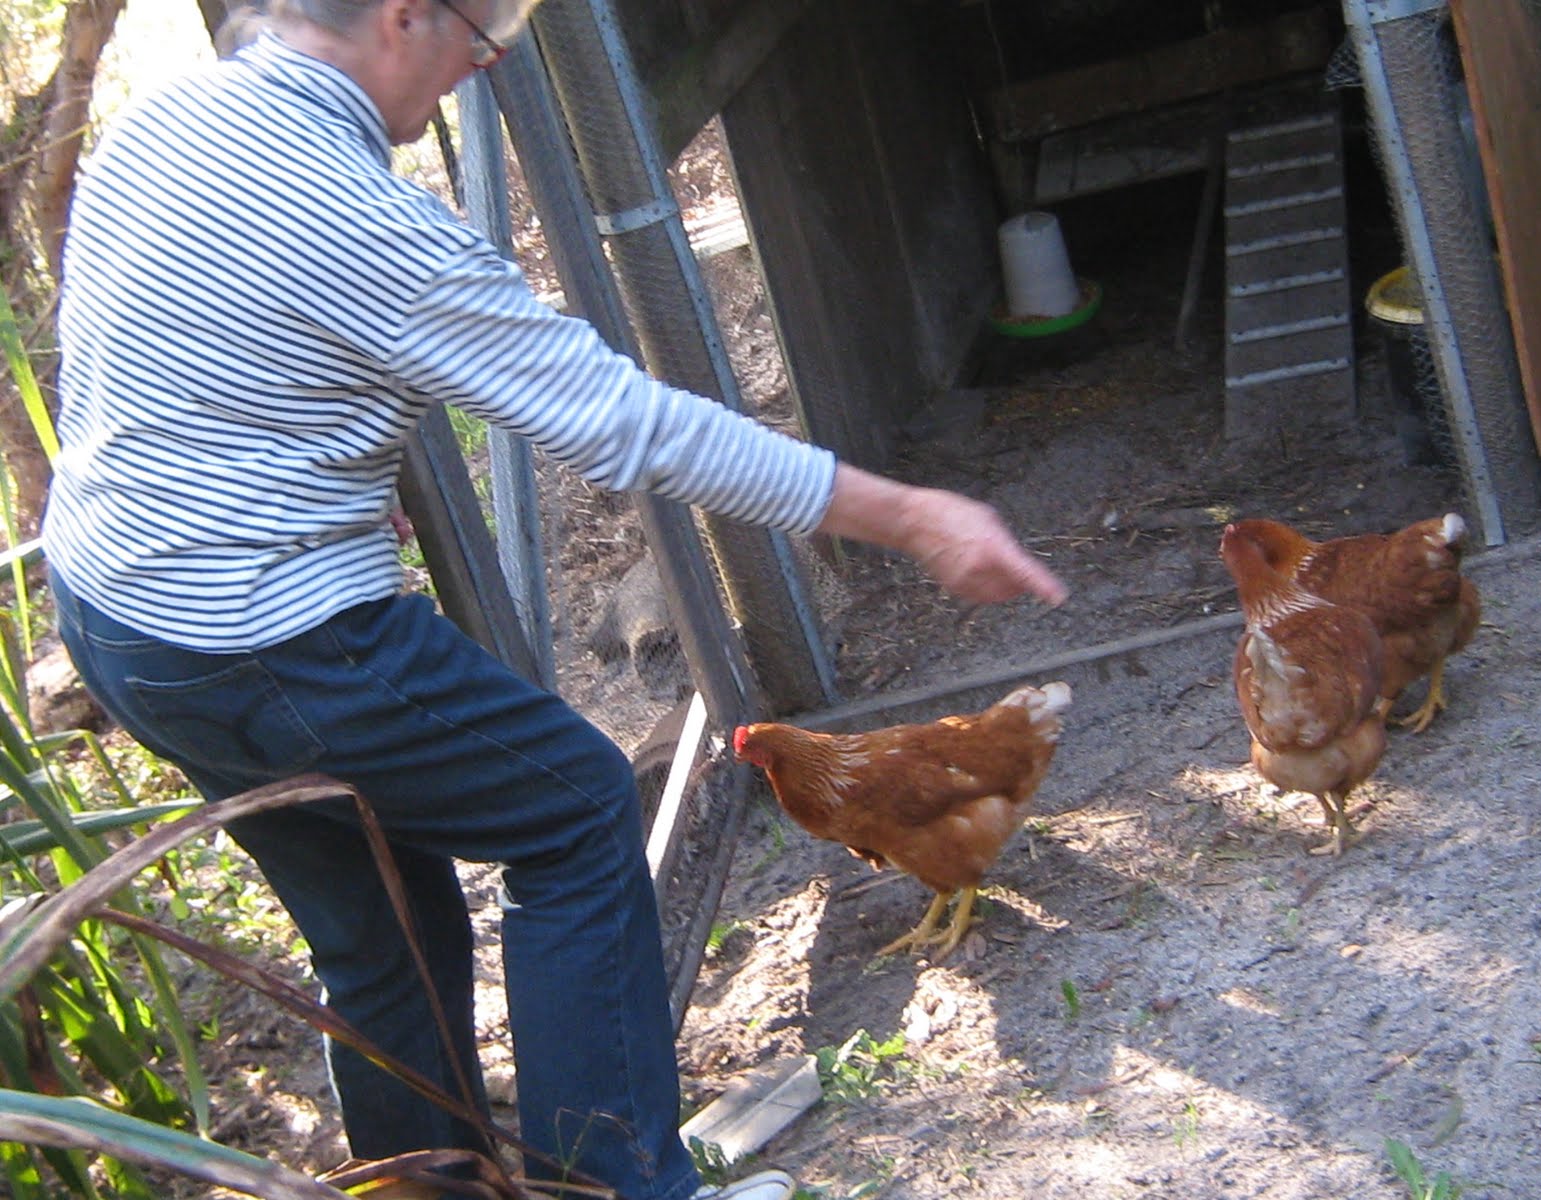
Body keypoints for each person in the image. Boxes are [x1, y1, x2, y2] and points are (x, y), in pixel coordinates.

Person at [40, 2, 1067, 1198]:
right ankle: (619, 1185)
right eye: (487, 18)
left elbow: (139, 345)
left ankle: (428, 1189)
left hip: (123, 618)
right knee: (575, 806)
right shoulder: (360, 220)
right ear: (400, 10)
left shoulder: (164, 129)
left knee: (381, 933)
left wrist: (296, 475)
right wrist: (913, 514)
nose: (499, 51)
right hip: (268, 637)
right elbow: (627, 425)